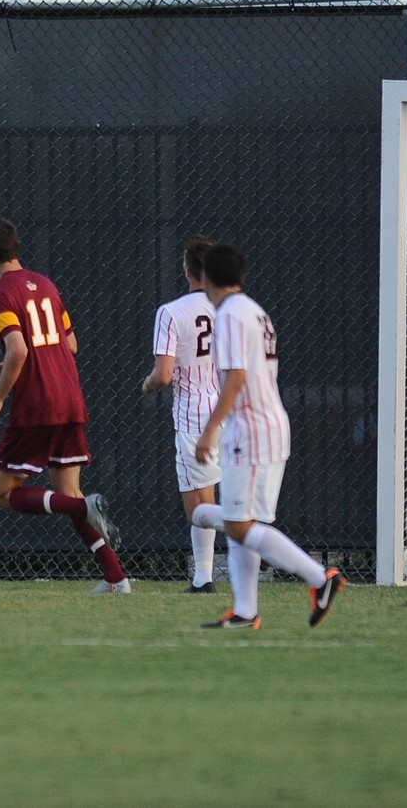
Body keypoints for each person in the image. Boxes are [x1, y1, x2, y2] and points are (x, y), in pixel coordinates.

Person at [189, 243, 346, 629]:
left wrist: (209, 431)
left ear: (206, 277)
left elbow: (236, 377)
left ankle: (320, 578)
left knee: (240, 525)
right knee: (246, 522)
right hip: (266, 426)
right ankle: (245, 611)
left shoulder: (229, 315)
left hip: (252, 431)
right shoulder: (254, 310)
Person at [0, 217, 130, 594]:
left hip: (38, 403)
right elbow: (69, 345)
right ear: (16, 248)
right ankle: (116, 579)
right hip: (70, 398)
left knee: (2, 494)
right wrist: (22, 359)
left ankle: (84, 508)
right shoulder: (45, 284)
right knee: (68, 493)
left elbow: (19, 348)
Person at [143, 233, 223, 593]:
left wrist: (146, 385)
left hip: (195, 415)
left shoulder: (172, 312)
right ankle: (203, 578)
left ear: (187, 270)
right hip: (229, 410)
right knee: (211, 500)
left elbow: (162, 375)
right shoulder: (230, 309)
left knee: (199, 508)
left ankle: (253, 530)